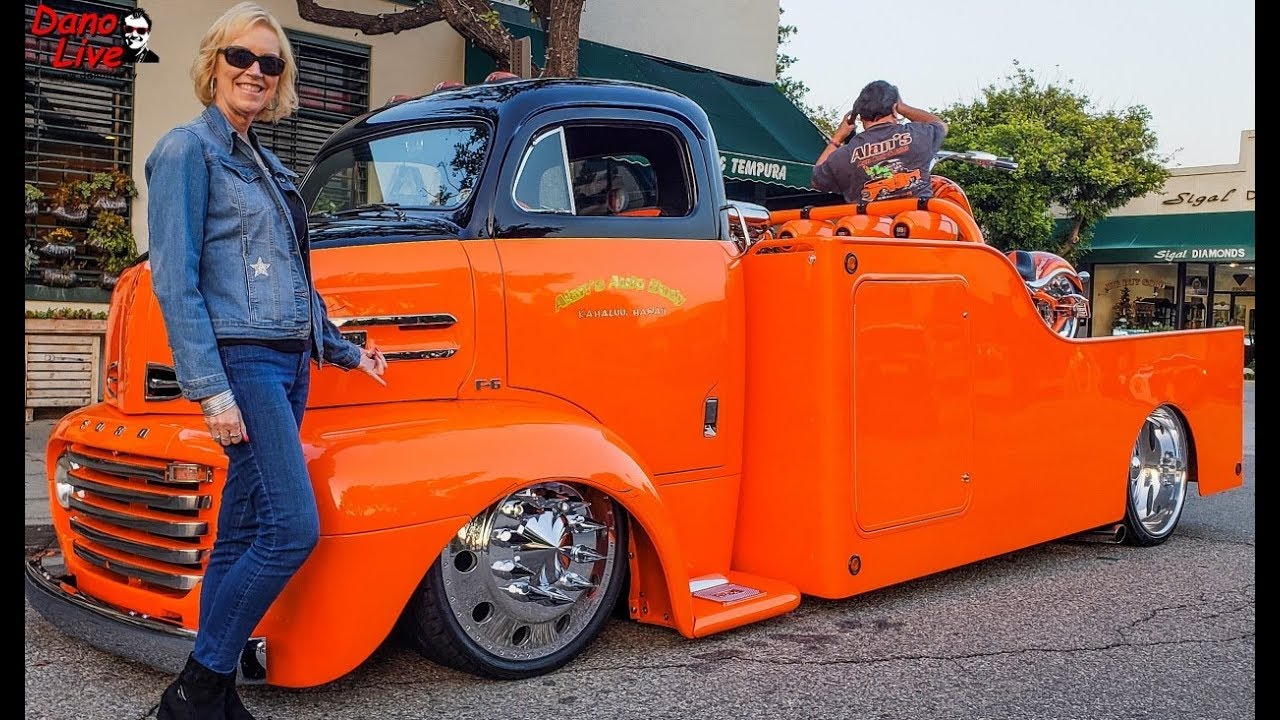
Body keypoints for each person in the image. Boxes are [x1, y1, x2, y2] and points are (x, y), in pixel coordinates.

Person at [143, 3, 388, 718]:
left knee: (244, 531)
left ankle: (213, 696)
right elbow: (175, 280)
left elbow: (296, 281)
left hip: (289, 363)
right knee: (292, 528)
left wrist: (343, 350)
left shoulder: (268, 163)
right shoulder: (189, 150)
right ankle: (193, 689)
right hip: (244, 363)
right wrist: (210, 391)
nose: (254, 72)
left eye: (269, 63)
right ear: (213, 64)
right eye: (240, 58)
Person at [812, 80, 948, 204]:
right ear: (894, 110)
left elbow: (816, 180)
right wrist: (902, 107)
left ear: (860, 116)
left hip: (867, 228)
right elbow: (940, 125)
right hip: (919, 225)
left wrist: (837, 139)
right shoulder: (918, 134)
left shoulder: (844, 155)